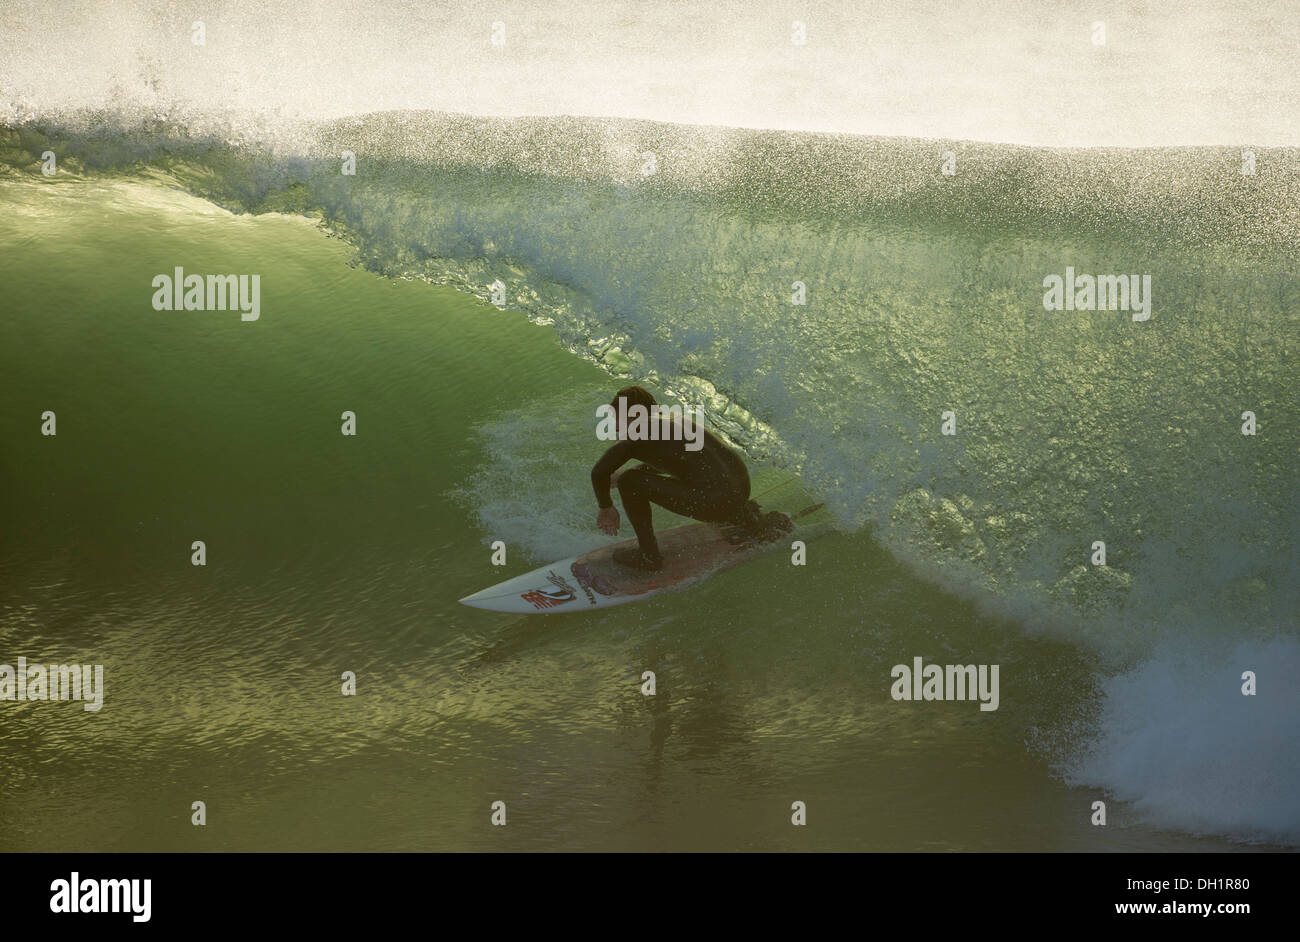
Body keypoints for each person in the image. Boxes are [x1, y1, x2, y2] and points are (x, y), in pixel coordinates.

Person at [591, 385, 767, 571]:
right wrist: (635, 469)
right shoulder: (675, 421)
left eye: (616, 418)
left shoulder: (640, 429)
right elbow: (680, 459)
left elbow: (599, 472)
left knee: (629, 481)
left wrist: (606, 508)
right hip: (740, 492)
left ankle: (649, 557)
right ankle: (744, 517)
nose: (616, 427)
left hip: (715, 502)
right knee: (632, 477)